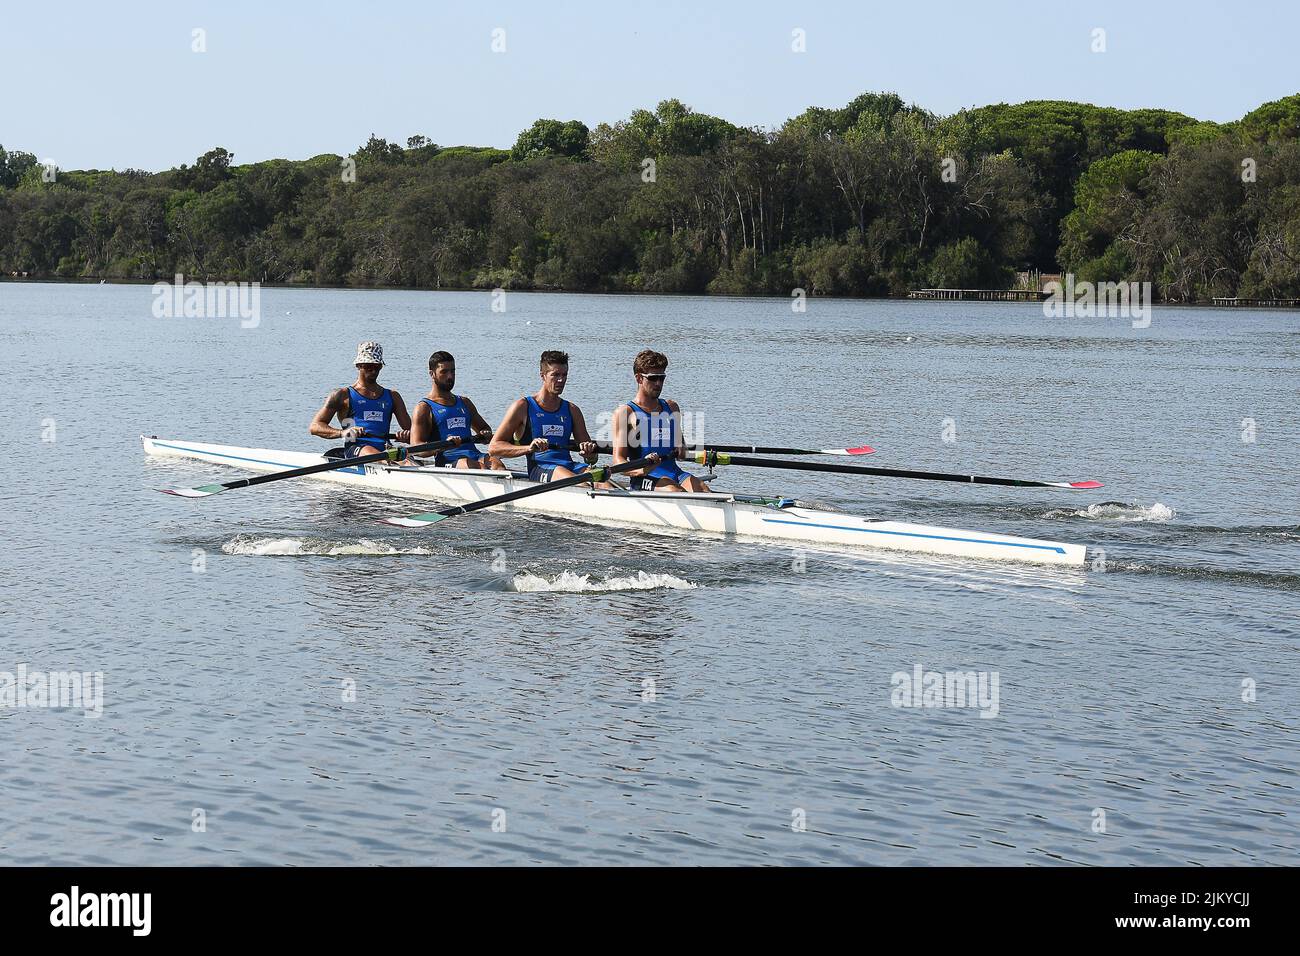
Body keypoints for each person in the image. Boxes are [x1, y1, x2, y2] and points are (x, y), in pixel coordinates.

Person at [489, 350, 606, 485]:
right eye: (555, 375)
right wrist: (529, 448)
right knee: (580, 483)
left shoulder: (572, 410)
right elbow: (494, 448)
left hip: (569, 466)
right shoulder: (522, 407)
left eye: (564, 375)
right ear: (543, 376)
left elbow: (591, 459)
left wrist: (590, 454)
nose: (561, 380)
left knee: (603, 481)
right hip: (540, 468)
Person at [611, 349, 709, 492]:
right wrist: (641, 470)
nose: (658, 383)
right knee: (676, 492)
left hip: (675, 473)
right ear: (639, 378)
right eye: (653, 378)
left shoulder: (672, 407)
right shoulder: (625, 413)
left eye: (661, 378)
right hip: (644, 477)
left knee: (703, 489)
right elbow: (617, 462)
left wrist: (681, 447)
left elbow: (681, 449)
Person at [309, 341, 411, 457]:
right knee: (372, 453)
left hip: (385, 448)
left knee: (408, 460)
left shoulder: (393, 396)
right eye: (368, 366)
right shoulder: (342, 395)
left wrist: (407, 436)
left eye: (377, 366)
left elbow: (414, 433)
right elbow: (315, 427)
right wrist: (343, 433)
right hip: (356, 448)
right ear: (358, 365)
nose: (373, 370)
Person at [409, 351, 503, 469]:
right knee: (472, 466)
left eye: (452, 371)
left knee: (497, 464)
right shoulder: (424, 408)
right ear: (432, 374)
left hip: (474, 454)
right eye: (444, 372)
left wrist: (485, 435)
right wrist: (443, 446)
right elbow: (416, 448)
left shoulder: (465, 402)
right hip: (447, 459)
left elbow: (485, 428)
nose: (450, 376)